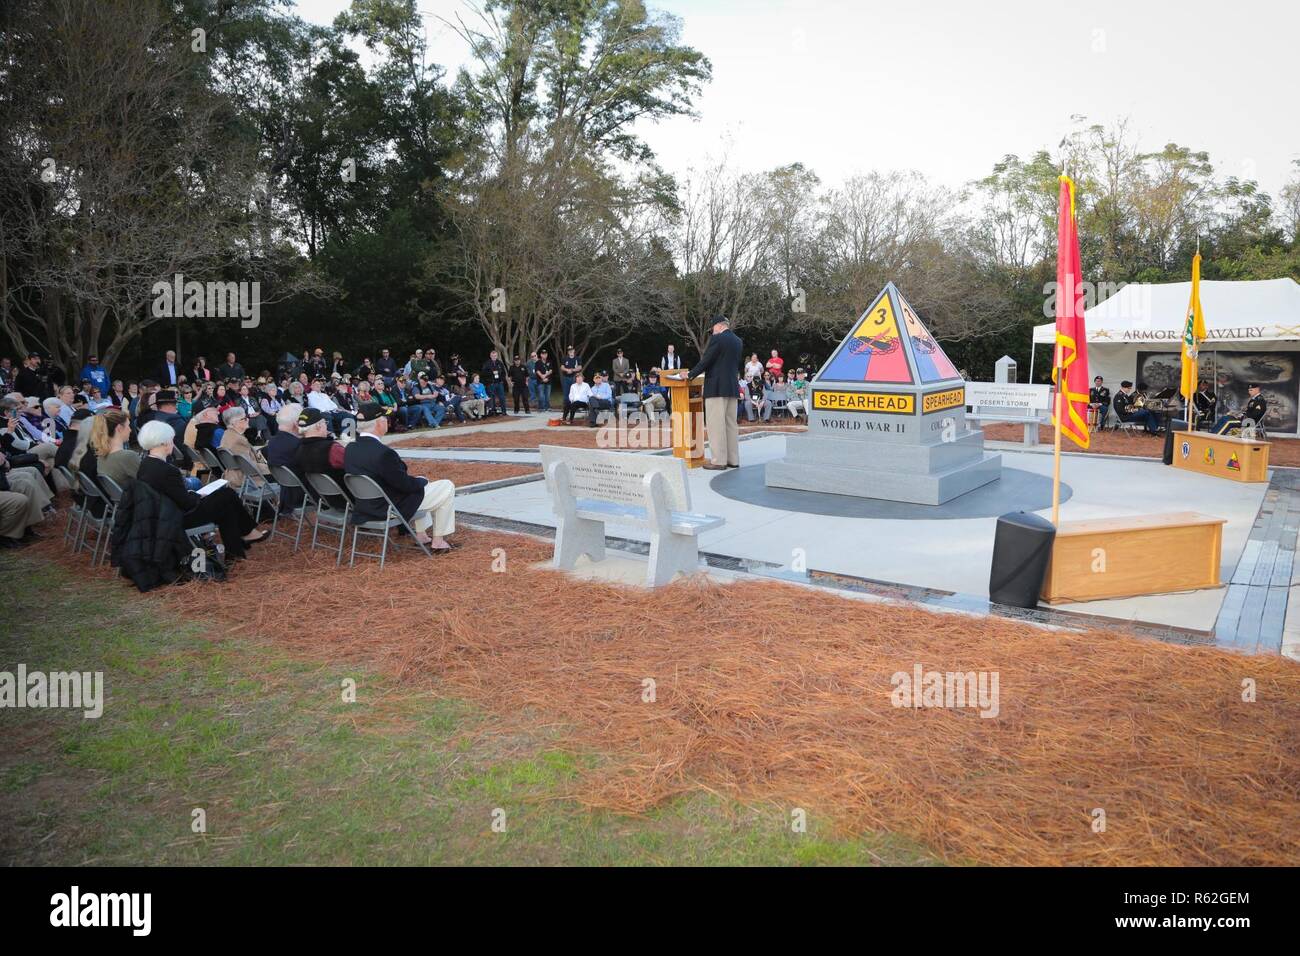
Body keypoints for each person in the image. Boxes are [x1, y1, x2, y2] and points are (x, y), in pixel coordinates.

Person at [135, 420, 265, 560]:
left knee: (226, 503)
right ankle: (246, 535)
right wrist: (198, 496)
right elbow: (186, 503)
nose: (173, 444)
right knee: (227, 495)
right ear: (164, 443)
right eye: (171, 440)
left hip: (163, 515)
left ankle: (237, 550)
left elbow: (173, 495)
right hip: (177, 517)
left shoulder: (146, 464)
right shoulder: (166, 469)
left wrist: (194, 494)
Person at [343, 404, 455, 551]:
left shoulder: (350, 448)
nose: (387, 421)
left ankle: (421, 535)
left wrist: (419, 481)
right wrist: (422, 482)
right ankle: (438, 541)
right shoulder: (383, 453)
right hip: (389, 508)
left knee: (421, 482)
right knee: (447, 486)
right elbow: (404, 485)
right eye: (385, 418)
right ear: (379, 423)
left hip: (366, 506)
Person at [677, 315, 742, 470]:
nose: (712, 332)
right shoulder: (738, 341)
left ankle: (719, 460)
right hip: (732, 387)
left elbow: (706, 361)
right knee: (731, 424)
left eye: (713, 329)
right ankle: (733, 459)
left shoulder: (717, 339)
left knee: (716, 425)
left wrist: (690, 374)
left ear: (718, 326)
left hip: (716, 388)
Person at [264, 403, 304, 512]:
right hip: (302, 493)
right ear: (296, 423)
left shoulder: (271, 442)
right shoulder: (298, 444)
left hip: (285, 491)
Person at [90, 409, 141, 491]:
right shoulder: (127, 456)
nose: (130, 430)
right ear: (119, 428)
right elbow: (150, 481)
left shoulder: (101, 455)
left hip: (122, 501)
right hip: (136, 500)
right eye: (128, 426)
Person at [482, 350, 509, 416]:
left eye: (495, 356)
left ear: (497, 356)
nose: (494, 357)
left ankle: (504, 412)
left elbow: (503, 373)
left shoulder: (499, 363)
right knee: (492, 398)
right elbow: (483, 373)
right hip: (491, 383)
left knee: (502, 397)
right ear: (490, 356)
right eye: (493, 356)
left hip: (499, 383)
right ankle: (493, 411)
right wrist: (492, 373)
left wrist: (502, 380)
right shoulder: (487, 363)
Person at [560, 347, 581, 418]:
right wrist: (567, 370)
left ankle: (575, 407)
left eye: (572, 350)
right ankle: (566, 408)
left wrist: (572, 370)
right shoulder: (564, 358)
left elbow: (580, 367)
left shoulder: (577, 358)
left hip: (574, 377)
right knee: (566, 393)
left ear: (574, 350)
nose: (571, 351)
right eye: (569, 350)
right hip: (566, 378)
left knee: (575, 393)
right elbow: (562, 367)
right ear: (568, 352)